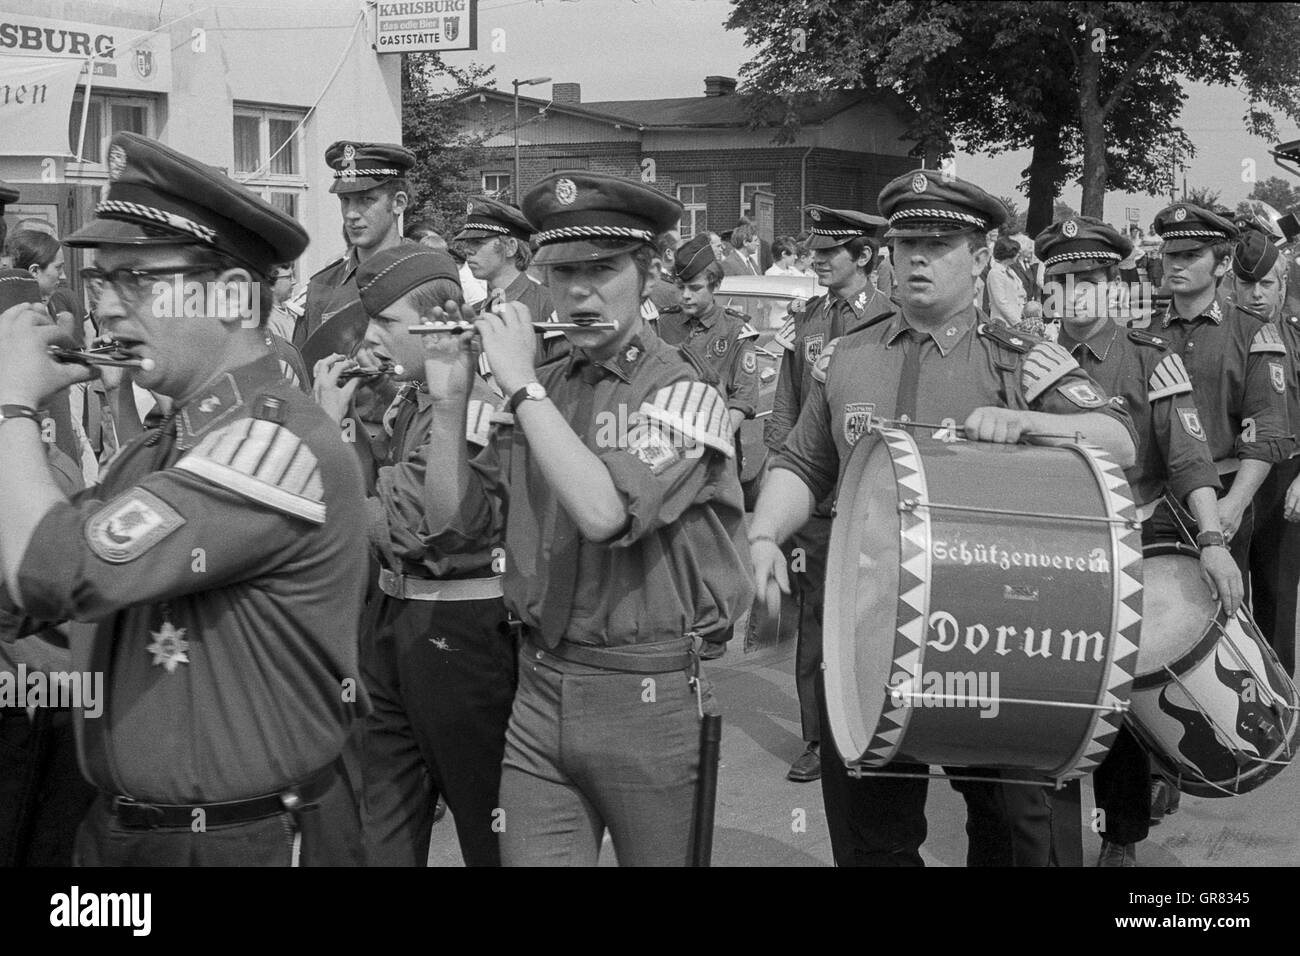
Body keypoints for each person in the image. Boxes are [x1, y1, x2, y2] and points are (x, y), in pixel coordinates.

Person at [0, 131, 369, 866]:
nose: (102, 307)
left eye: (134, 279)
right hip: (128, 833)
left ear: (231, 293)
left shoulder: (272, 443)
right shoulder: (168, 440)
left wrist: (10, 407)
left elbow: (59, 570)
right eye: (98, 280)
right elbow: (27, 597)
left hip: (238, 839)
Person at [749, 169, 1137, 867]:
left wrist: (1027, 423)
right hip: (865, 621)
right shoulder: (846, 356)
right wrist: (761, 535)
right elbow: (803, 464)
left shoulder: (1020, 359)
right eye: (906, 244)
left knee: (1009, 828)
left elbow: (1119, 438)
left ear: (981, 257)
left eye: (941, 243)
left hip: (994, 628)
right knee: (871, 837)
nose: (918, 258)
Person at [419, 171, 754, 865]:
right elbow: (450, 527)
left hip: (647, 693)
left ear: (648, 271)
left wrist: (518, 384)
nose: (577, 291)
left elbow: (605, 512)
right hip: (540, 684)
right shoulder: (545, 389)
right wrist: (451, 403)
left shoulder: (685, 394)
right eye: (562, 271)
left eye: (601, 269)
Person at [1036, 216, 1242, 867]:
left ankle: (1120, 836)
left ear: (1113, 283)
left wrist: (1211, 537)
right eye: (1061, 279)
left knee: (1117, 707)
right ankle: (1046, 833)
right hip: (1048, 553)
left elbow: (1188, 458)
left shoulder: (1153, 358)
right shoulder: (1025, 359)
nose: (1073, 293)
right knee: (1052, 696)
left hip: (1129, 550)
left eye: (1087, 279)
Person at [312, 245, 515, 866]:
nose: (371, 337)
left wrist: (328, 428)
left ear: (440, 327)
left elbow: (409, 526)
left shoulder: (474, 410)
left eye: (389, 323)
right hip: (394, 626)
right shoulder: (407, 402)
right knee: (384, 828)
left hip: (460, 636)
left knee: (489, 828)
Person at [765, 203, 893, 784]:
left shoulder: (891, 319)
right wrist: (780, 477)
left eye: (827, 253)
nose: (815, 261)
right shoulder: (808, 319)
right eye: (813, 252)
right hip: (817, 505)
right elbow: (791, 405)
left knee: (878, 620)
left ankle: (875, 724)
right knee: (814, 625)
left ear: (862, 257)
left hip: (874, 503)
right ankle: (817, 737)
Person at [1147, 203, 1292, 584]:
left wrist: (1235, 504)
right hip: (1156, 499)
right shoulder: (1143, 336)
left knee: (1224, 618)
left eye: (1192, 255)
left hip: (1226, 490)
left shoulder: (1252, 332)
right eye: (1171, 255)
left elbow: (1266, 430)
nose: (1177, 265)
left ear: (1222, 265)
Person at [1227, 229, 1300, 676]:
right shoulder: (1219, 339)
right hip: (1227, 480)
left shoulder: (1294, 341)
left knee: (1276, 599)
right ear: (1231, 284)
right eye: (1246, 283)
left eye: (1266, 284)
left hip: (1281, 484)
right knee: (1228, 602)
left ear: (1284, 285)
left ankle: (1280, 708)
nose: (1256, 295)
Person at [658, 233, 760, 488]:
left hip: (716, 452)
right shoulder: (662, 324)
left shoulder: (735, 330)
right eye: (680, 288)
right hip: (665, 448)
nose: (686, 296)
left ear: (714, 285)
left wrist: (714, 440)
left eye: (695, 288)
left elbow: (744, 398)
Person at [298, 141, 417, 357]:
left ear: (398, 203)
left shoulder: (427, 276)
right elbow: (305, 370)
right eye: (345, 200)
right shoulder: (322, 287)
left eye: (366, 200)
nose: (351, 214)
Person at [986, 235, 1027, 326]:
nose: (1018, 255)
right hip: (1003, 323)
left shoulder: (1010, 271)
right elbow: (1001, 302)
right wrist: (1016, 322)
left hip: (1016, 318)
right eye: (1016, 252)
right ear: (1008, 254)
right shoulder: (995, 273)